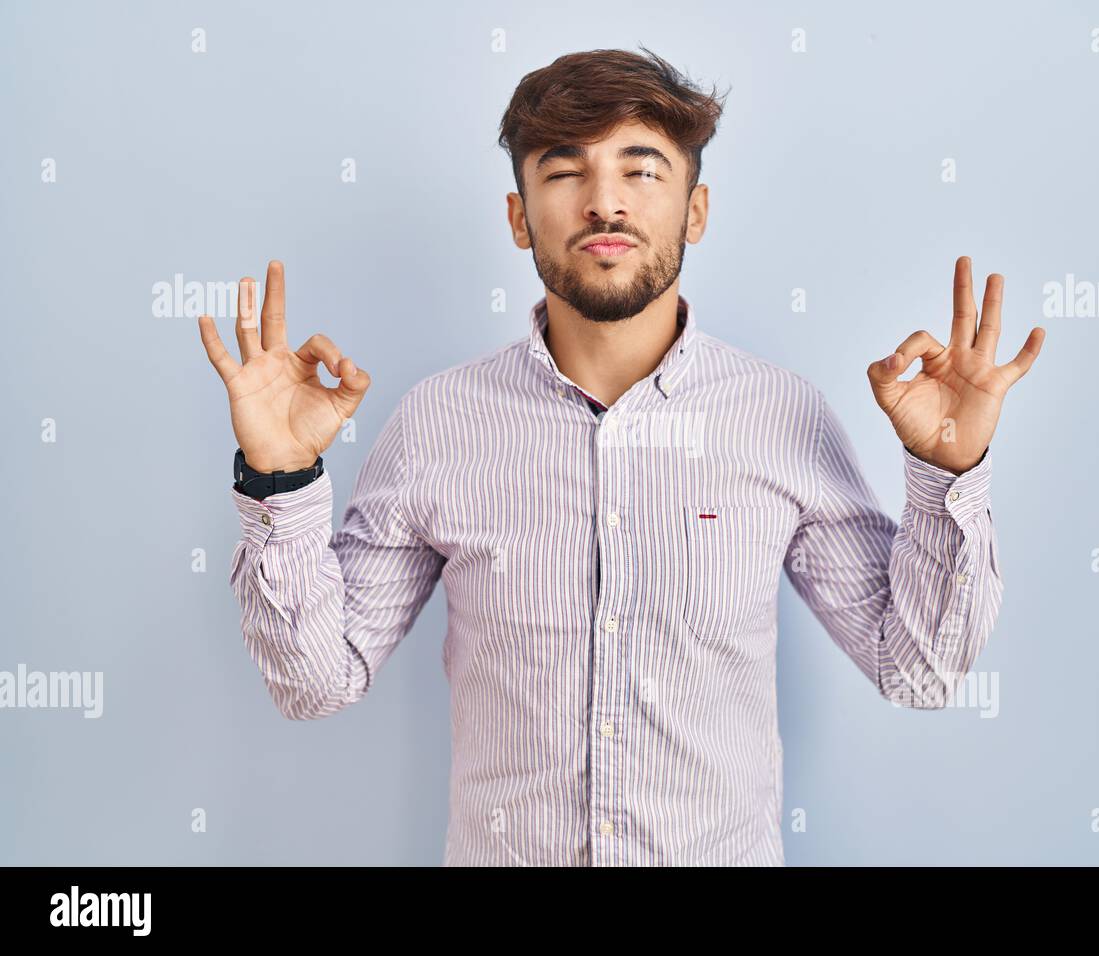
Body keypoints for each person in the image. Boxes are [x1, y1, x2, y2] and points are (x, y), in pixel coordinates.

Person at [197, 46, 1044, 866]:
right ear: (520, 214)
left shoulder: (780, 416)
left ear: (696, 210)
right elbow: (314, 684)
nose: (605, 203)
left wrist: (950, 474)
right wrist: (281, 479)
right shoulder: (436, 422)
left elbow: (920, 670)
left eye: (642, 169)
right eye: (565, 171)